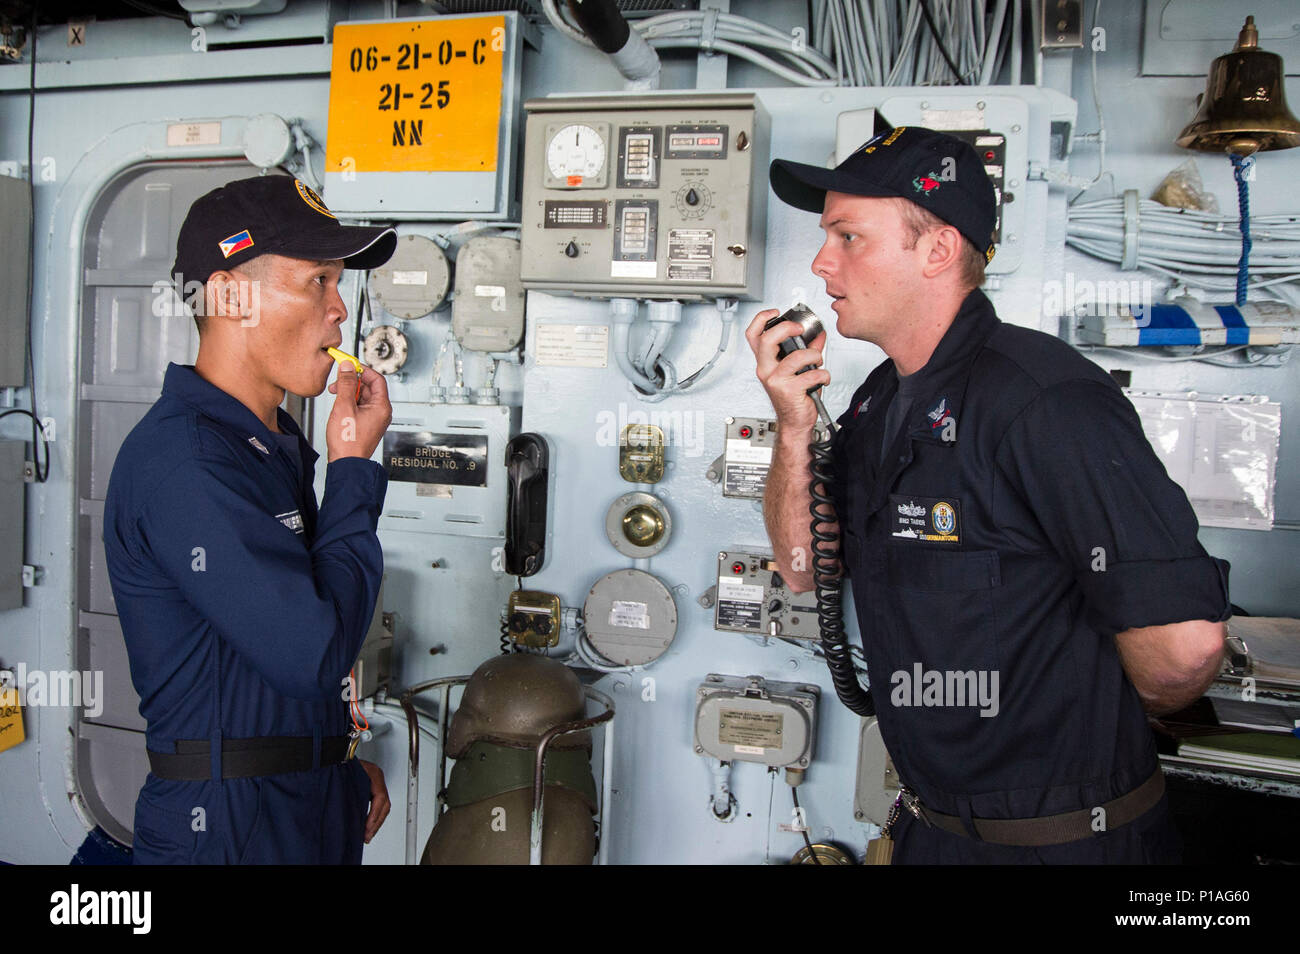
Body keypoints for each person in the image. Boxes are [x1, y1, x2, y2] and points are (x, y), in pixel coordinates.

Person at [746, 127, 1231, 863]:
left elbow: (1184, 649)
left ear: (937, 250)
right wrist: (792, 429)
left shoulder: (1046, 399)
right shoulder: (879, 402)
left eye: (849, 237)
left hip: (1067, 845)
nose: (821, 262)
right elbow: (800, 569)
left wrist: (1094, 726)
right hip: (933, 831)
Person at [103, 175, 399, 864]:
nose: (339, 311)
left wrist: (333, 763)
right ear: (232, 295)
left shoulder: (265, 443)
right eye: (319, 281)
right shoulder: (188, 463)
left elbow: (257, 655)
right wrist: (352, 469)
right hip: (227, 833)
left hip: (300, 803)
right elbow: (314, 654)